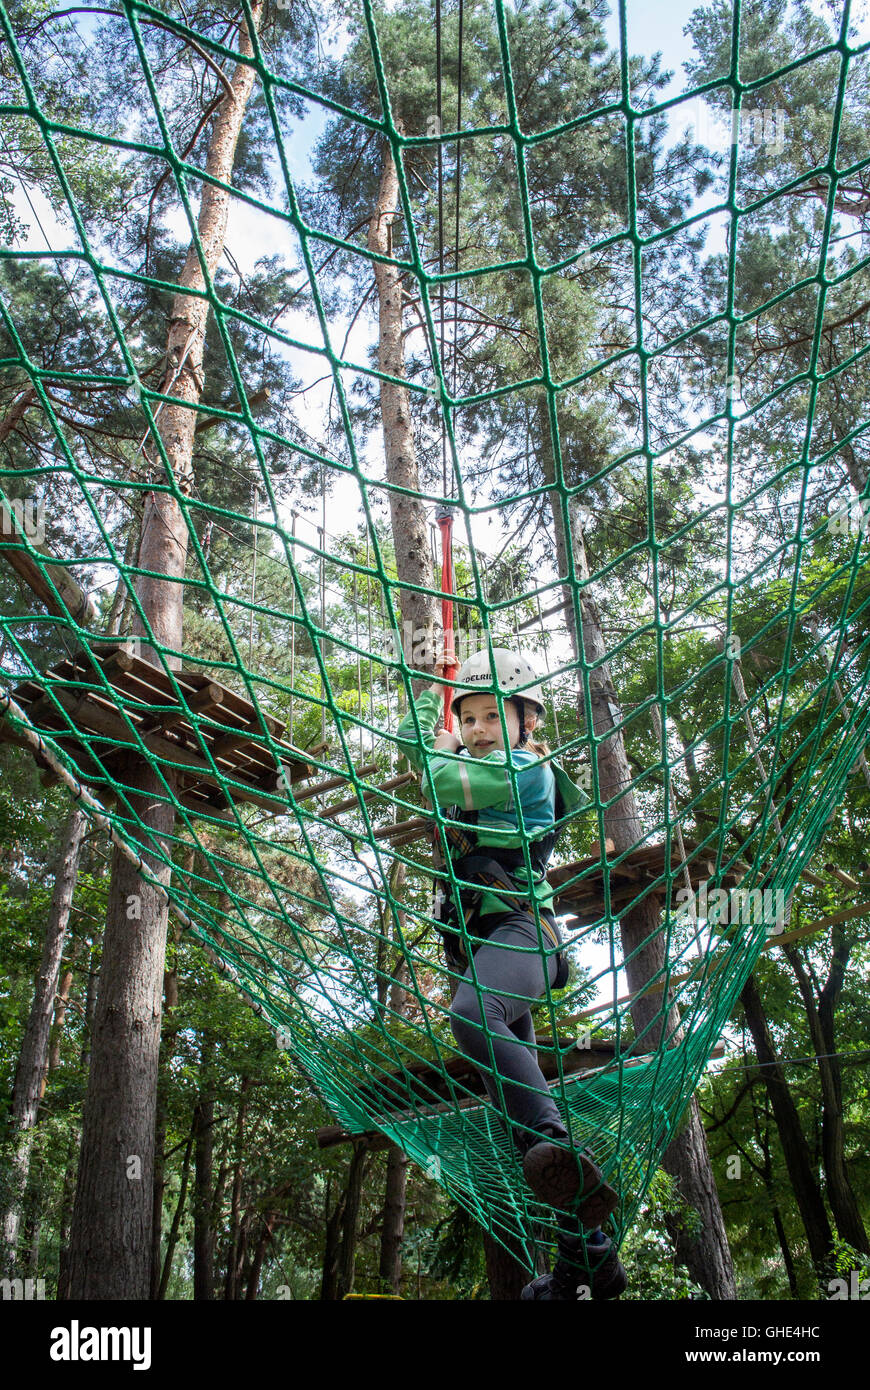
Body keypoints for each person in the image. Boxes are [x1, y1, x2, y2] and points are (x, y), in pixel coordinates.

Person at [396, 646, 626, 1299]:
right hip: (485, 948)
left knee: (473, 1015)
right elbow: (420, 754)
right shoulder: (472, 760)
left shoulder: (528, 772)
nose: (478, 730)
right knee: (512, 1108)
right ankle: (589, 1257)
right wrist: (428, 700)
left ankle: (559, 1146)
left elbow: (436, 780)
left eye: (493, 717)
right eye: (468, 719)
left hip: (527, 934)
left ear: (528, 722)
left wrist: (441, 744)